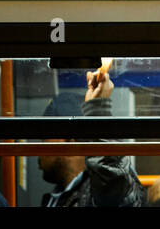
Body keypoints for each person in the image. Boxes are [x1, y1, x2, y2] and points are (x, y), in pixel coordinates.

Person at [38, 68, 147, 207]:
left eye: (45, 137)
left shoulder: (98, 195)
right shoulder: (56, 198)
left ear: (70, 142)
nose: (39, 146)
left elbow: (111, 179)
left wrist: (98, 112)